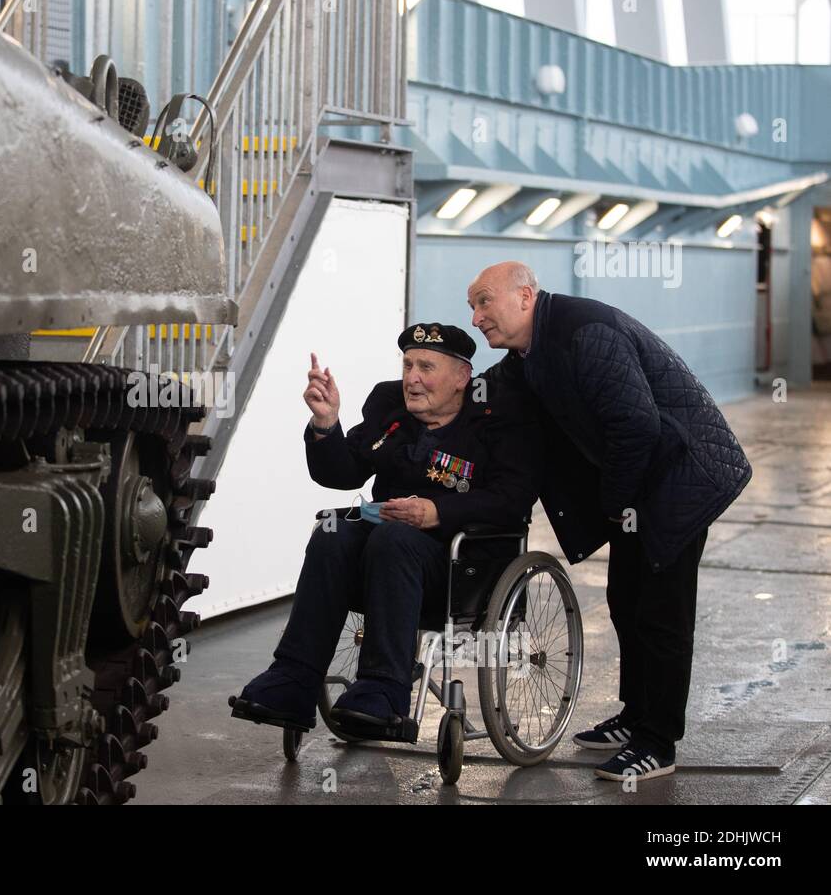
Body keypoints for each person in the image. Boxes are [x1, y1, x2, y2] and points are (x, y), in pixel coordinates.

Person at [468, 261, 752, 781]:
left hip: (682, 475)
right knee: (626, 598)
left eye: (484, 302)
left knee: (660, 613)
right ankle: (636, 715)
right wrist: (424, 391)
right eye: (473, 307)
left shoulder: (583, 332)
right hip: (643, 485)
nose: (476, 317)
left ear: (525, 296)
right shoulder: (530, 350)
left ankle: (658, 742)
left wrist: (615, 504)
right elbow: (488, 393)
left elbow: (636, 425)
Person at [228, 323, 539, 740]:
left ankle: (384, 690)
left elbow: (513, 498)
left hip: (461, 562)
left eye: (426, 367)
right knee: (332, 529)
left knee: (393, 539)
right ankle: (294, 679)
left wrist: (437, 511)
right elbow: (343, 472)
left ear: (463, 377)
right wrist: (326, 425)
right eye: (408, 364)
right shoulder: (389, 404)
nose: (412, 378)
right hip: (385, 550)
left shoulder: (496, 414)